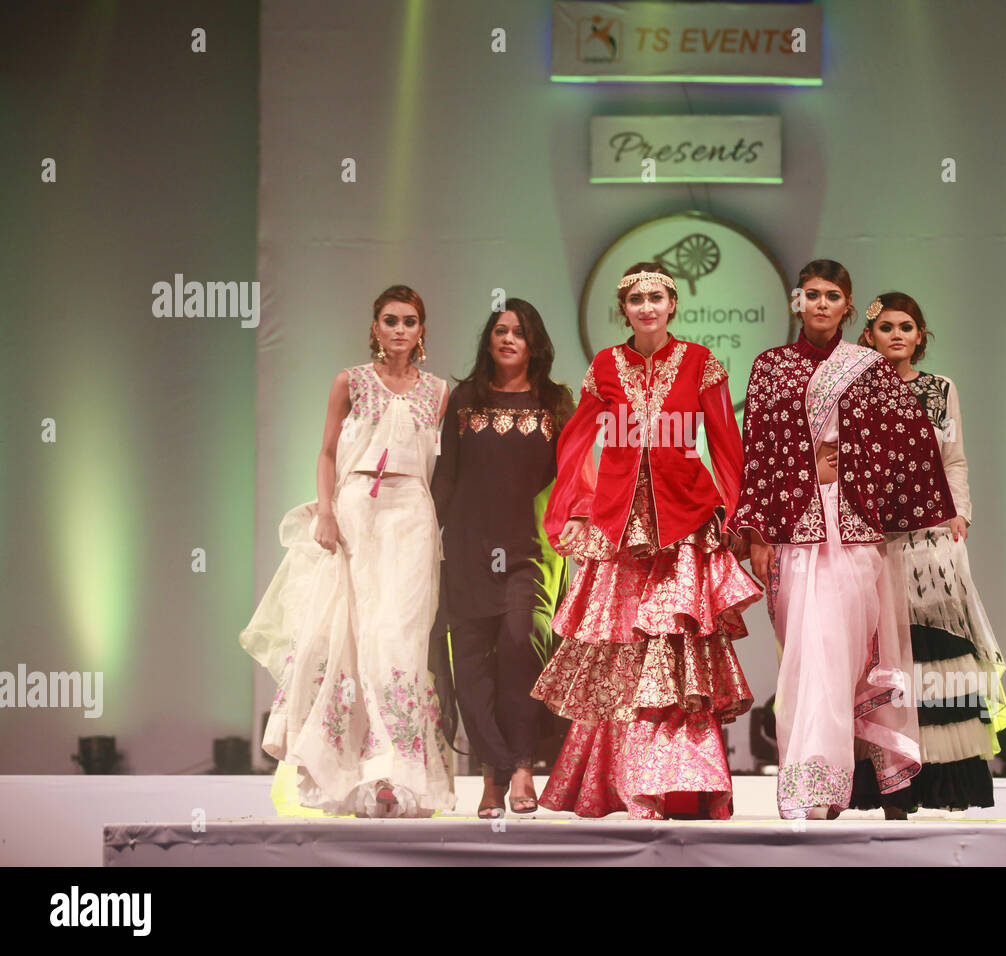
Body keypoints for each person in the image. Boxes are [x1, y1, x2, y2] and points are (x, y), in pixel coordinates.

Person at [530, 262, 761, 820]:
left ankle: (679, 781)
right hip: (616, 526)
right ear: (624, 308)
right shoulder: (606, 364)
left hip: (685, 522)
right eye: (636, 299)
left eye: (656, 297)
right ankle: (619, 780)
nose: (647, 307)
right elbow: (577, 438)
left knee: (676, 651)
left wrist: (738, 513)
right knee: (622, 650)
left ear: (673, 304)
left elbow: (726, 443)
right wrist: (566, 510)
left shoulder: (701, 363)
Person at [731, 260, 956, 820]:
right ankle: (808, 780)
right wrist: (756, 529)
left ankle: (823, 788)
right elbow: (756, 452)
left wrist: (850, 466)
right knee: (803, 658)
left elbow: (909, 442)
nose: (822, 304)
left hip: (853, 531)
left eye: (833, 296)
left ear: (849, 307)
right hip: (791, 530)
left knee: (842, 655)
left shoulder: (869, 369)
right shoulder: (771, 367)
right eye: (812, 294)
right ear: (796, 302)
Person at [240, 285, 456, 818]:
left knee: (398, 638)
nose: (400, 329)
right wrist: (327, 511)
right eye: (390, 320)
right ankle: (356, 776)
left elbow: (438, 464)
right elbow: (327, 451)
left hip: (413, 516)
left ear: (422, 329)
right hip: (358, 509)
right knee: (352, 635)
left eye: (410, 321)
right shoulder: (351, 380)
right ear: (375, 327)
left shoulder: (437, 391)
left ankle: (399, 773)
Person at [854, 292, 1006, 812]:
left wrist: (960, 513)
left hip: (932, 543)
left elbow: (955, 459)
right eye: (885, 327)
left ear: (921, 336)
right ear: (869, 335)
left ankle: (946, 783)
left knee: (936, 650)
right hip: (876, 541)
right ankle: (891, 783)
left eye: (907, 327)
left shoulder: (941, 389)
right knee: (883, 654)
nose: (896, 335)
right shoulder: (856, 390)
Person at [432, 299, 574, 819]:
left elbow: (573, 479)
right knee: (469, 663)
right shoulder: (466, 400)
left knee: (520, 644)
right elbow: (446, 474)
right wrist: (424, 528)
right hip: (467, 547)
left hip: (529, 551)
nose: (508, 338)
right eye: (499, 330)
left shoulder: (556, 402)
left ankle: (519, 765)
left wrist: (579, 526)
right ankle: (497, 775)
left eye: (519, 331)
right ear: (488, 340)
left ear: (534, 342)